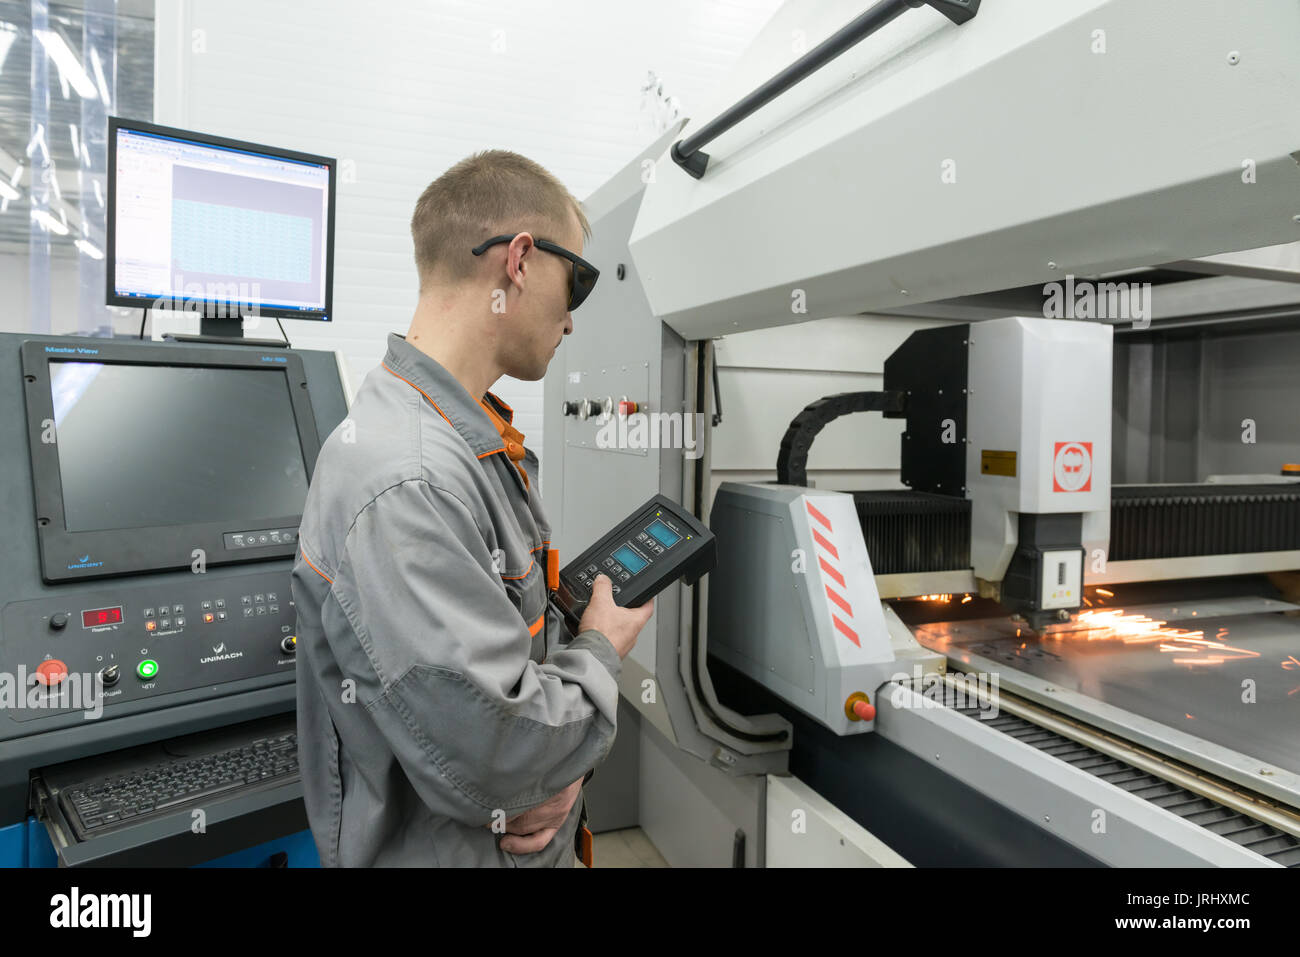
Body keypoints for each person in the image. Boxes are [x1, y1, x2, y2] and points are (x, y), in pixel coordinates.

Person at [291, 149, 654, 866]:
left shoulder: (465, 438)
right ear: (519, 260)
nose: (573, 321)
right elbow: (501, 753)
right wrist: (601, 646)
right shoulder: (410, 479)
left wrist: (558, 768)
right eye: (575, 282)